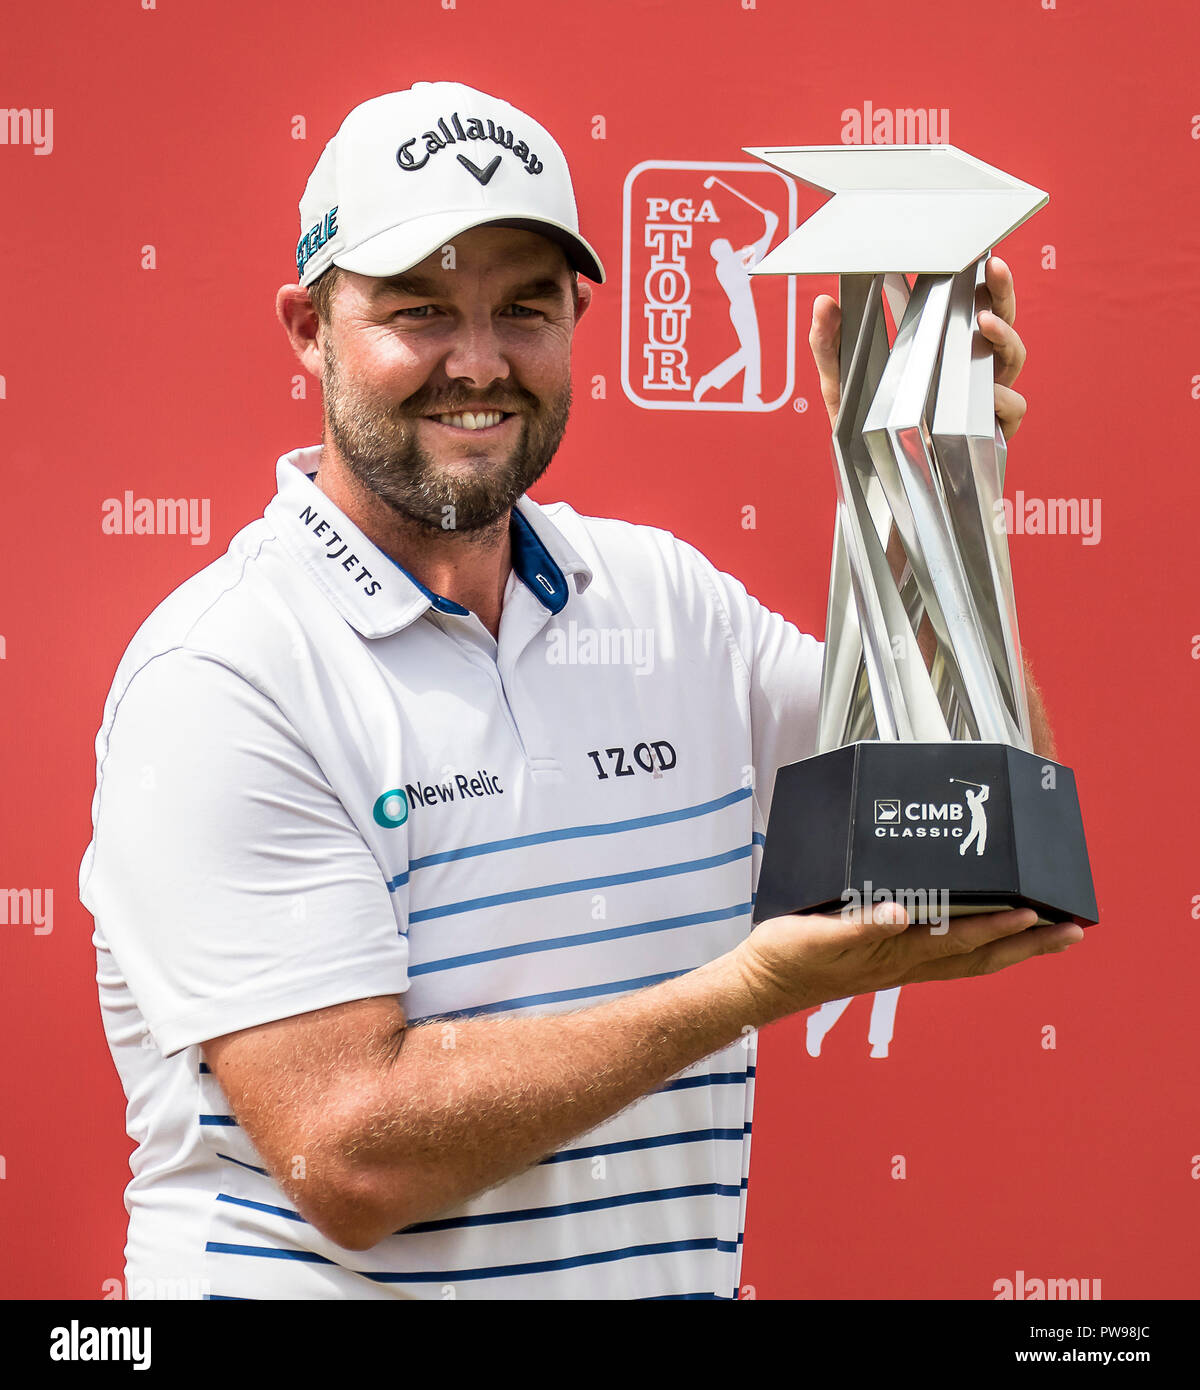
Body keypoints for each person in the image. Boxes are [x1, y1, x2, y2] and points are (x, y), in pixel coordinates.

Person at [79, 80, 1082, 1301]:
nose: (479, 361)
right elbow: (346, 1152)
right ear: (307, 325)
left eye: (525, 307)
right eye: (419, 310)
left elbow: (971, 811)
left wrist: (928, 484)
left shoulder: (667, 600)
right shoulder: (226, 674)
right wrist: (753, 988)